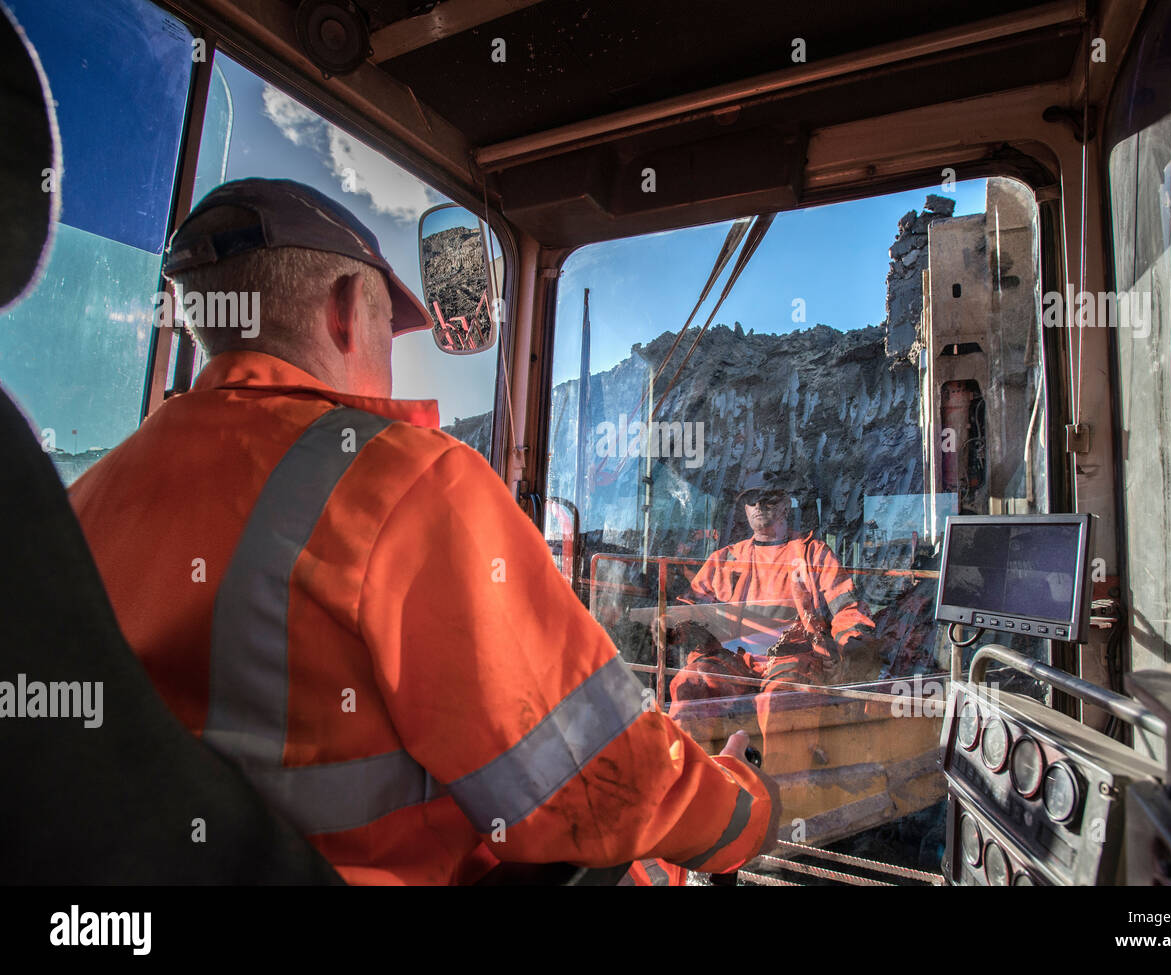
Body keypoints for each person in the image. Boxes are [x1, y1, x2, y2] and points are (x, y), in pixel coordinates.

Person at [67, 178, 778, 885]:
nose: (389, 357)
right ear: (347, 311)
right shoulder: (402, 482)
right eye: (387, 329)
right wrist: (744, 812)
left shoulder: (81, 501)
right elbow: (595, 780)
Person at [669, 470, 879, 713]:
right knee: (689, 685)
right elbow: (694, 606)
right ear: (745, 508)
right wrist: (674, 625)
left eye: (768, 498)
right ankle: (686, 752)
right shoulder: (725, 558)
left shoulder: (814, 555)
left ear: (785, 505)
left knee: (781, 699)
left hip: (793, 658)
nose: (759, 505)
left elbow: (845, 607)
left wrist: (854, 641)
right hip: (733, 658)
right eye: (752, 499)